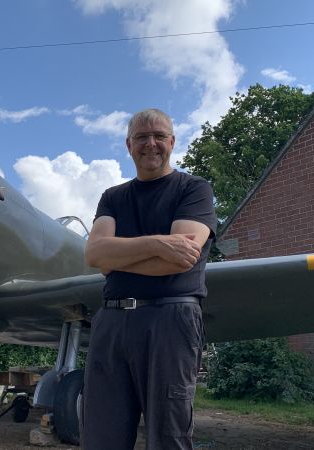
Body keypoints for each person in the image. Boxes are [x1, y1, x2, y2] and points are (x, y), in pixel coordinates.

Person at [82, 108, 217, 450]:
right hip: (111, 321)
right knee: (101, 436)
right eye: (142, 137)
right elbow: (94, 255)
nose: (151, 144)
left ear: (172, 142)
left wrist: (117, 259)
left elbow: (179, 262)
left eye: (159, 136)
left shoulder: (194, 189)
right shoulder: (112, 197)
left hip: (169, 319)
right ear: (129, 145)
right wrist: (158, 244)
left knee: (169, 435)